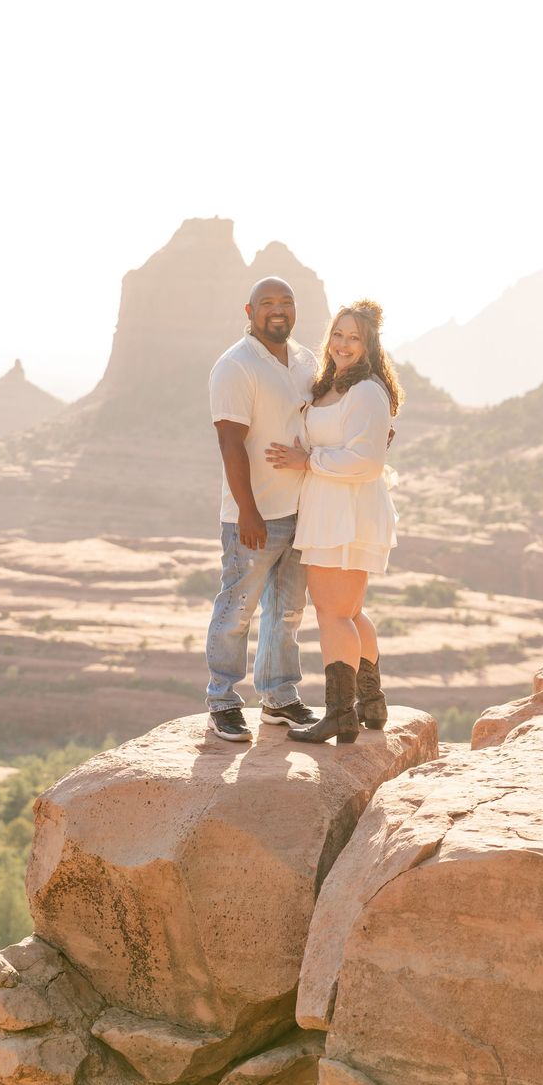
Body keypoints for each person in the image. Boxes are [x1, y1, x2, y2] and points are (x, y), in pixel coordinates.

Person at [266, 301, 403, 744]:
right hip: (328, 510)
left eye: (354, 337)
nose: (343, 344)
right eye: (339, 334)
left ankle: (340, 715)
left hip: (348, 513)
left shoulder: (366, 390)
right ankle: (371, 702)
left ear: (369, 345)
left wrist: (309, 461)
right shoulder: (330, 386)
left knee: (333, 614)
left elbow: (366, 462)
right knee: (348, 611)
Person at [204, 277, 321, 742]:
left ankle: (278, 697)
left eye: (286, 302)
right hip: (254, 515)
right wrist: (247, 511)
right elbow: (230, 444)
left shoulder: (305, 361)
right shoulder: (235, 366)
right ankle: (222, 701)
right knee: (237, 610)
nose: (279, 310)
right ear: (248, 311)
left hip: (303, 508)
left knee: (288, 611)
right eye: (268, 303)